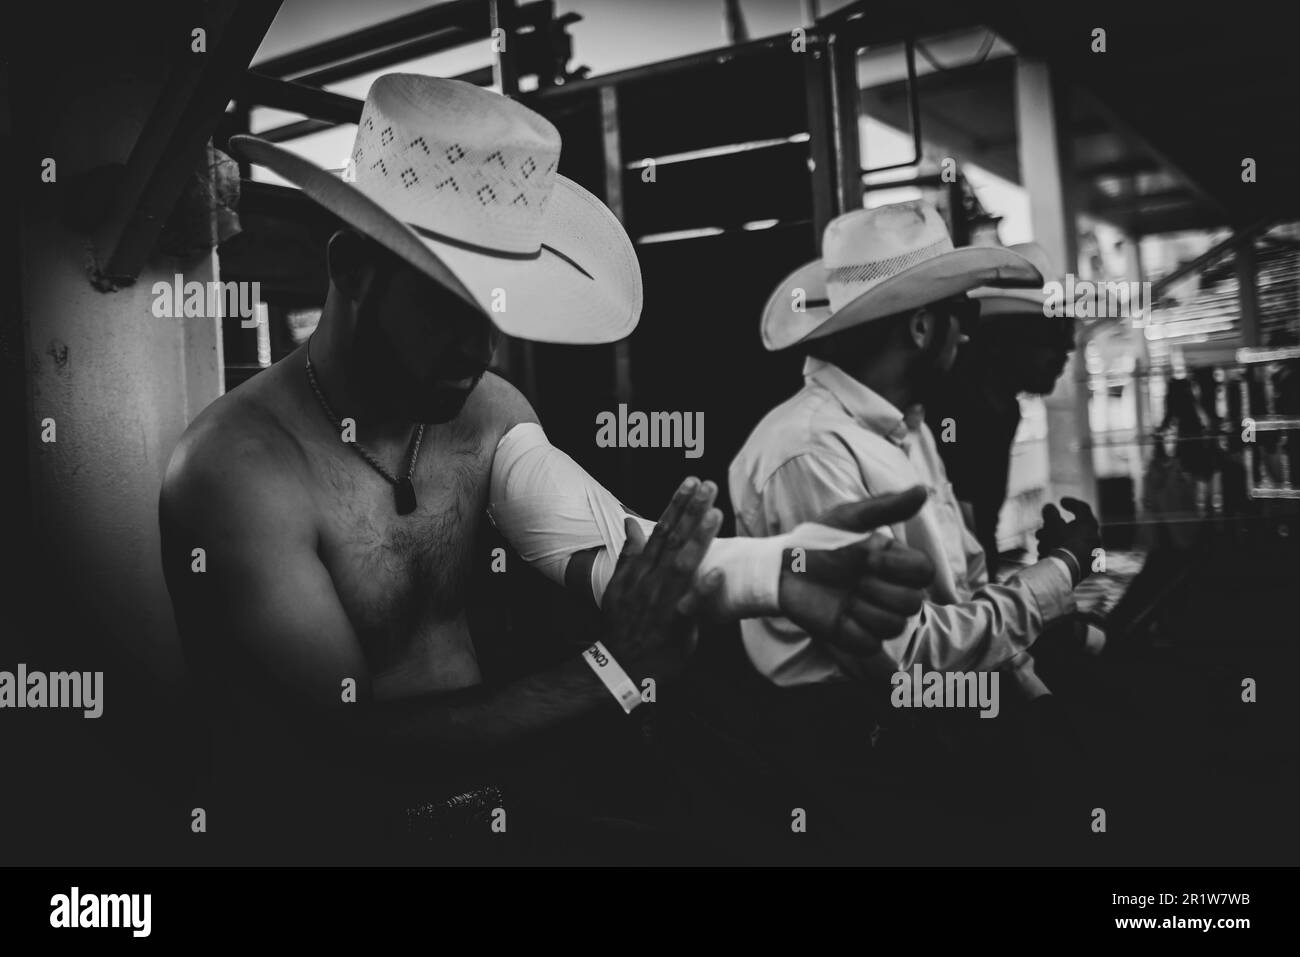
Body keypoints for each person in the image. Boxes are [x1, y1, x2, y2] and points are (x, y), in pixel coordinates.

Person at [158, 75, 936, 862]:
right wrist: (612, 668)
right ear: (354, 268)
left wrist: (778, 569)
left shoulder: (487, 411)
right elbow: (341, 743)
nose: (479, 349)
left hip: (477, 815)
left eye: (491, 312)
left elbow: (619, 552)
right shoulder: (235, 470)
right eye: (447, 307)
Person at [728, 202, 1102, 858]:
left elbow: (962, 587)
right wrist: (1060, 572)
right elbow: (905, 663)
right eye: (966, 315)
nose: (968, 335)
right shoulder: (808, 451)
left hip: (922, 731)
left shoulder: (907, 427)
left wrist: (1028, 685)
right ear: (926, 325)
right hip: (856, 759)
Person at [925, 243, 1076, 568]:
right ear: (1005, 342)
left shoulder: (1002, 410)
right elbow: (958, 524)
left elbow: (982, 525)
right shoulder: (949, 404)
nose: (1065, 354)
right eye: (1054, 339)